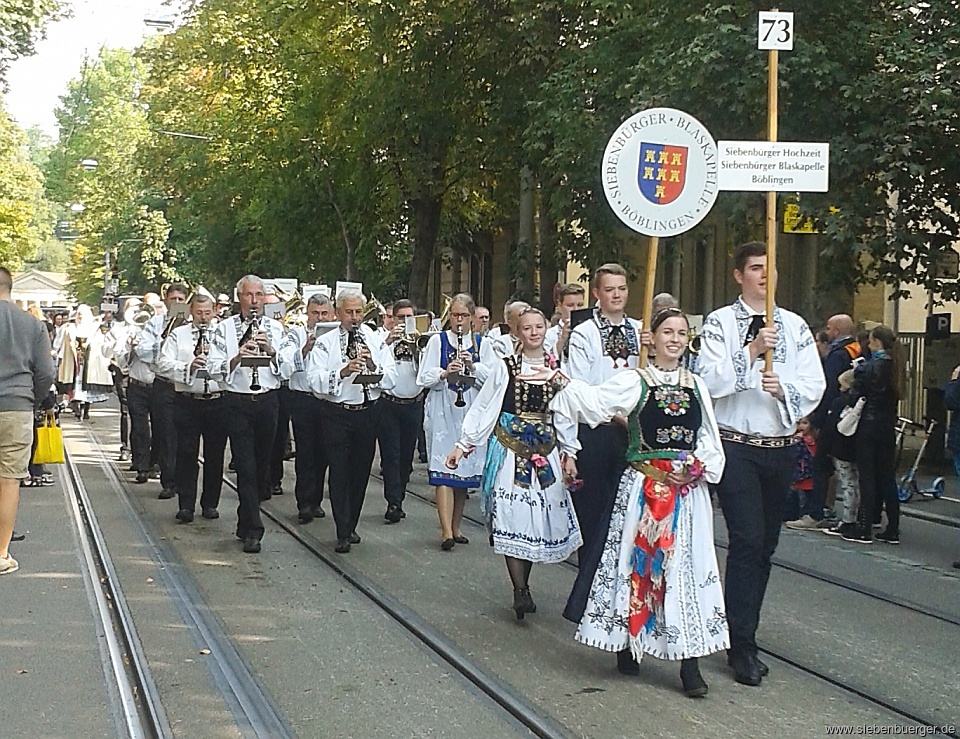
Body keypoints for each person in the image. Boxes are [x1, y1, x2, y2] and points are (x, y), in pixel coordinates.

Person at [548, 308, 727, 697]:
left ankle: (689, 662)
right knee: (635, 564)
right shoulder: (634, 381)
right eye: (668, 332)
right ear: (654, 337)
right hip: (642, 489)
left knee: (684, 571)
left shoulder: (696, 385)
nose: (675, 339)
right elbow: (590, 403)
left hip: (685, 495)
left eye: (681, 333)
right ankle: (630, 640)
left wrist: (696, 468)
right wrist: (567, 392)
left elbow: (710, 441)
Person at [697, 241, 825, 686]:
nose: (764, 275)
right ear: (739, 275)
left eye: (769, 268)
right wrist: (750, 352)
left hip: (781, 445)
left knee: (766, 545)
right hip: (738, 447)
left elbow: (814, 381)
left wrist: (783, 388)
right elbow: (707, 381)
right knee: (747, 541)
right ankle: (742, 643)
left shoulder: (794, 325)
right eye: (755, 268)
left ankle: (743, 625)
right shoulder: (720, 323)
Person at [445, 307, 581, 619]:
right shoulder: (505, 367)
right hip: (510, 450)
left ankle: (526, 583)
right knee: (511, 517)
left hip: (545, 453)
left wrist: (569, 452)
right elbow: (485, 405)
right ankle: (520, 589)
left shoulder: (555, 368)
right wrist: (463, 445)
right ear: (517, 332)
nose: (534, 332)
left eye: (539, 326)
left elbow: (565, 412)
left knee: (533, 522)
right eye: (527, 327)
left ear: (546, 329)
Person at [562, 263, 642, 625]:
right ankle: (588, 596)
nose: (617, 295)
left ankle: (623, 593)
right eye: (610, 289)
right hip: (598, 430)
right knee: (593, 517)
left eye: (622, 289)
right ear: (597, 292)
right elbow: (582, 388)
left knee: (629, 516)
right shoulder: (584, 334)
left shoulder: (641, 332)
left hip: (635, 435)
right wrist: (615, 413)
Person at [306, 289, 396, 553]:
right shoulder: (326, 342)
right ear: (338, 312)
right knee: (339, 471)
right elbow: (314, 380)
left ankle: (351, 523)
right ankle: (342, 529)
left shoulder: (375, 339)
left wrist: (372, 368)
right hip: (336, 414)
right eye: (349, 312)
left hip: (368, 412)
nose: (354, 318)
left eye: (358, 312)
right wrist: (344, 371)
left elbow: (391, 378)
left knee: (360, 472)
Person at [207, 275, 285, 554]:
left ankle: (245, 518)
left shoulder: (276, 328)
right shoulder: (223, 329)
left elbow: (290, 368)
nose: (254, 301)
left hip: (267, 401)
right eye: (249, 295)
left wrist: (271, 351)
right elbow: (213, 367)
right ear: (239, 297)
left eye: (259, 296)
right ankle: (254, 529)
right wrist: (238, 357)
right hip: (236, 401)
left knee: (262, 467)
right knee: (246, 466)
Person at [418, 293, 487, 550]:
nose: (460, 320)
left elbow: (493, 379)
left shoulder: (481, 344)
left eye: (464, 316)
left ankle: (456, 527)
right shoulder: (438, 341)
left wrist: (474, 367)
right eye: (455, 315)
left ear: (472, 318)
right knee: (442, 470)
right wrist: (445, 372)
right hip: (443, 410)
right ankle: (446, 531)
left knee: (463, 472)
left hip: (469, 411)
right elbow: (423, 378)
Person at [0, 266, 56, 574]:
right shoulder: (32, 324)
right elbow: (46, 374)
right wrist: (30, 399)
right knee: (9, 480)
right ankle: (1, 553)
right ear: (10, 288)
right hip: (16, 407)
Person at [157, 294, 227, 523]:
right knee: (186, 453)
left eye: (208, 313)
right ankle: (186, 504)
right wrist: (188, 366)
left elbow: (231, 361)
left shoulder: (223, 334)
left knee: (215, 455)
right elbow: (163, 364)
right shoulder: (179, 334)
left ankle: (210, 503)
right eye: (199, 313)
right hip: (187, 400)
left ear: (214, 311)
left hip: (217, 400)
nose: (204, 318)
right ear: (190, 311)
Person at [789, 314, 860, 529]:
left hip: (832, 416)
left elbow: (827, 388)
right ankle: (851, 514)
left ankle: (815, 512)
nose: (827, 332)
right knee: (844, 468)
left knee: (821, 464)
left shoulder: (837, 355)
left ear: (837, 331)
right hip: (848, 416)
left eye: (829, 328)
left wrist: (815, 419)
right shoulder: (856, 349)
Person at [842, 324, 903, 545]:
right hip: (887, 426)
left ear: (876, 341)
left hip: (868, 425)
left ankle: (864, 526)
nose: (868, 344)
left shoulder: (869, 367)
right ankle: (893, 527)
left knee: (867, 476)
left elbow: (855, 391)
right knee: (887, 478)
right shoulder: (896, 366)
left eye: (870, 340)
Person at [277, 294, 334, 523]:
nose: (319, 318)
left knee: (324, 452)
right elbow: (284, 362)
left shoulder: (336, 337)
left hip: (327, 400)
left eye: (323, 314)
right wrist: (304, 349)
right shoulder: (296, 333)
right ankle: (304, 502)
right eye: (314, 313)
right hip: (302, 398)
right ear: (307, 313)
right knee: (306, 452)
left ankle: (316, 499)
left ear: (330, 314)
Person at [136, 283, 189, 499]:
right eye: (172, 299)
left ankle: (186, 481)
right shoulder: (155, 324)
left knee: (187, 437)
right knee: (166, 433)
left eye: (180, 300)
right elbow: (143, 351)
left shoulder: (194, 325)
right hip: (165, 383)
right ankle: (169, 481)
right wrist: (165, 341)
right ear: (165, 301)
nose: (176, 303)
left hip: (187, 386)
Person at [377, 299, 423, 523]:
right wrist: (388, 341)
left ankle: (400, 495)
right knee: (391, 455)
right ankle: (393, 501)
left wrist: (417, 348)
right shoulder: (382, 339)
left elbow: (427, 370)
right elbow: (373, 361)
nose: (405, 322)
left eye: (409, 318)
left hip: (413, 403)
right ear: (392, 319)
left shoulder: (422, 340)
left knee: (406, 456)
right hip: (388, 403)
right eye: (401, 318)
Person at [821, 370, 860, 536]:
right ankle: (856, 517)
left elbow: (831, 427)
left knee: (848, 483)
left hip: (841, 448)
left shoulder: (839, 402)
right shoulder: (859, 402)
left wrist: (827, 447)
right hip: (855, 447)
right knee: (855, 482)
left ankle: (848, 520)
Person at [57, 305, 112, 420]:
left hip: (89, 361)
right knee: (74, 386)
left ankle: (85, 409)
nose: (80, 317)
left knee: (86, 386)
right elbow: (62, 344)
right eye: (79, 314)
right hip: (73, 361)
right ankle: (77, 408)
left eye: (83, 314)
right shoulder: (69, 328)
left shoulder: (95, 329)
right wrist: (60, 356)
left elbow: (101, 346)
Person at [543, 283, 586, 362]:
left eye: (580, 305)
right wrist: (562, 339)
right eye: (570, 305)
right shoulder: (550, 334)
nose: (575, 309)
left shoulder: (590, 331)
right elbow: (547, 360)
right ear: (559, 305)